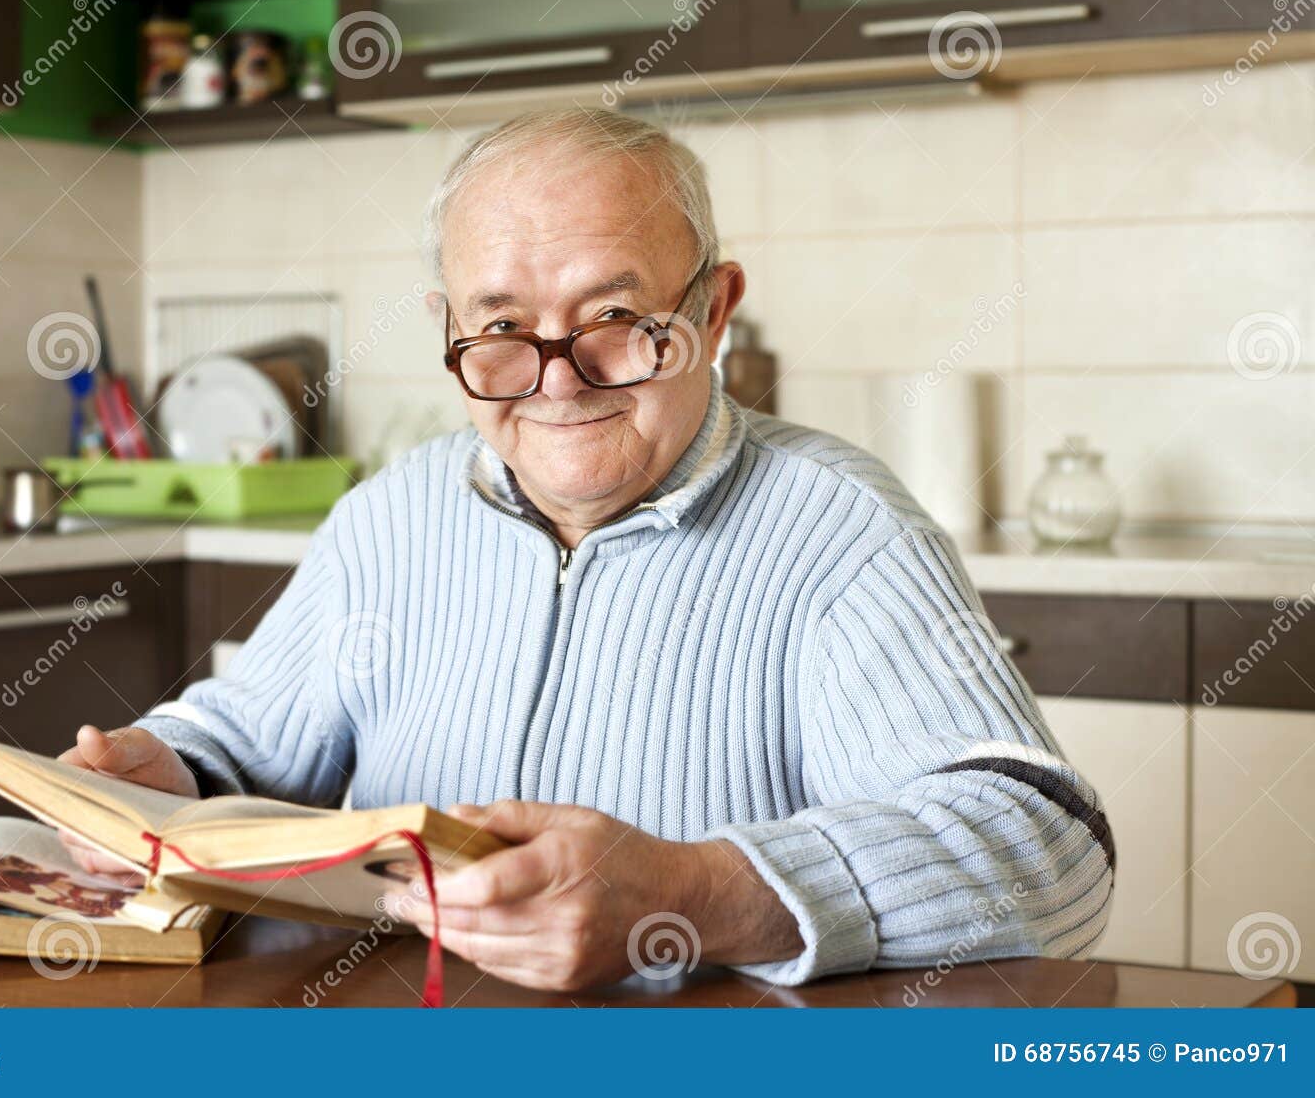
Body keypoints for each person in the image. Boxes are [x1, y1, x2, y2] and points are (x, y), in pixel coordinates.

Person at [59, 109, 1113, 992]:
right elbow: (245, 737)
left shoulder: (842, 529)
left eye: (615, 318)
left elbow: (1047, 848)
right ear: (449, 329)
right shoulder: (391, 513)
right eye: (502, 329)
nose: (557, 381)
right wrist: (167, 771)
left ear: (712, 309)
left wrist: (696, 892)